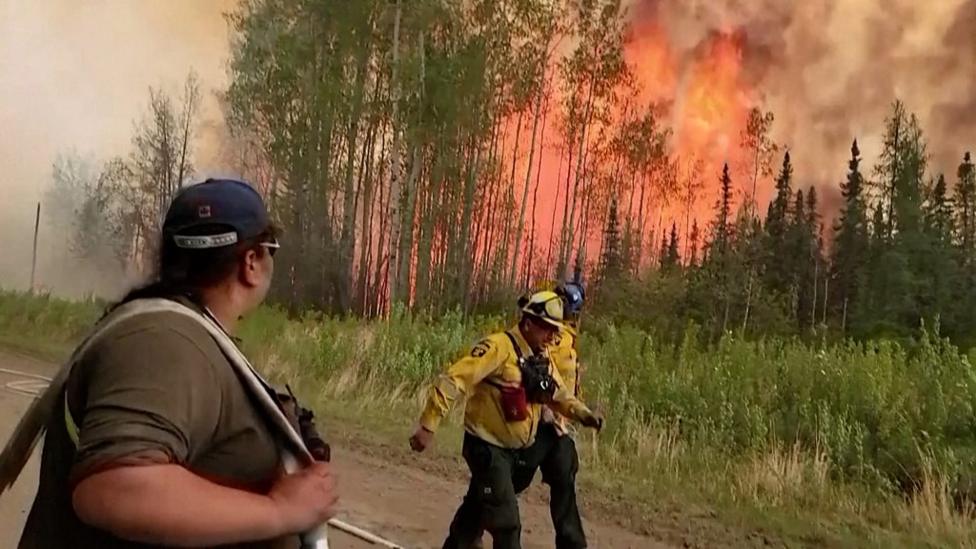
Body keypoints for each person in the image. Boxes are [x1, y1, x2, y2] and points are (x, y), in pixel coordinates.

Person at [5, 178, 338, 549]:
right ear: (251, 263)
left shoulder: (177, 334)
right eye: (270, 250)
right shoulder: (161, 342)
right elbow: (115, 488)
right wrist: (280, 511)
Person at [409, 290, 604, 549]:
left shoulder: (541, 355)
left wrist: (585, 415)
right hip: (487, 448)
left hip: (519, 451)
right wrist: (428, 425)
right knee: (506, 523)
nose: (552, 337)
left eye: (555, 330)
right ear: (528, 323)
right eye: (547, 329)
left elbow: (559, 393)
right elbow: (454, 380)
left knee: (482, 503)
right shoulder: (498, 348)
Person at [515, 281, 589, 549]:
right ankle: (469, 528)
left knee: (564, 478)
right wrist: (546, 411)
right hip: (537, 421)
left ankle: (572, 544)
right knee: (510, 482)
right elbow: (536, 372)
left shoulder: (566, 336)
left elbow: (563, 379)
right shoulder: (544, 334)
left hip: (557, 426)